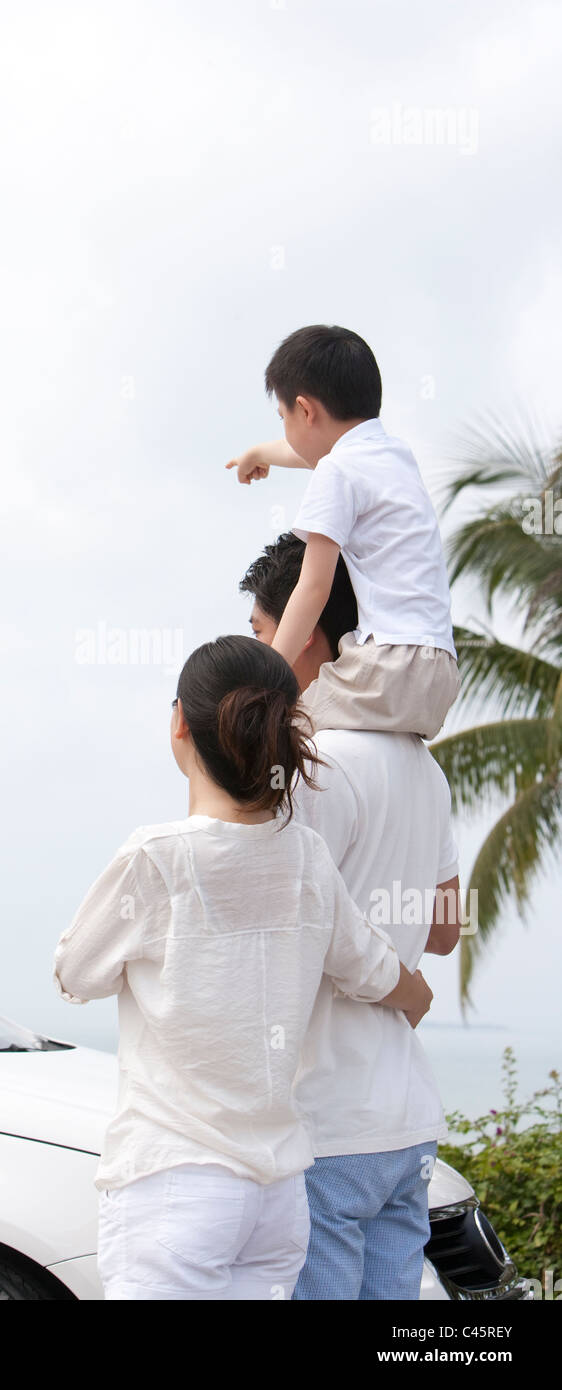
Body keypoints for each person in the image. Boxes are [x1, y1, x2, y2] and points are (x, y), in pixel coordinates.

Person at [52, 634, 433, 1301]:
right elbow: (374, 972)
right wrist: (417, 995)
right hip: (277, 1195)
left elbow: (74, 974)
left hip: (177, 1181)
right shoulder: (307, 858)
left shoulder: (157, 857)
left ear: (180, 723)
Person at [239, 533, 461, 1300]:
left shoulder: (318, 769)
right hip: (405, 1122)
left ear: (316, 638)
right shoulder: (423, 766)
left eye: (267, 635)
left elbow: (285, 929)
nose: (263, 658)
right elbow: (444, 930)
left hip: (327, 1122)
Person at [227, 324, 460, 741]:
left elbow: (313, 588)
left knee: (279, 731)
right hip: (439, 672)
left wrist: (270, 681)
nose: (285, 430)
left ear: (305, 410)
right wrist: (260, 453)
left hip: (388, 664)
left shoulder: (336, 470)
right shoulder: (393, 454)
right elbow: (315, 452)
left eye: (283, 417)